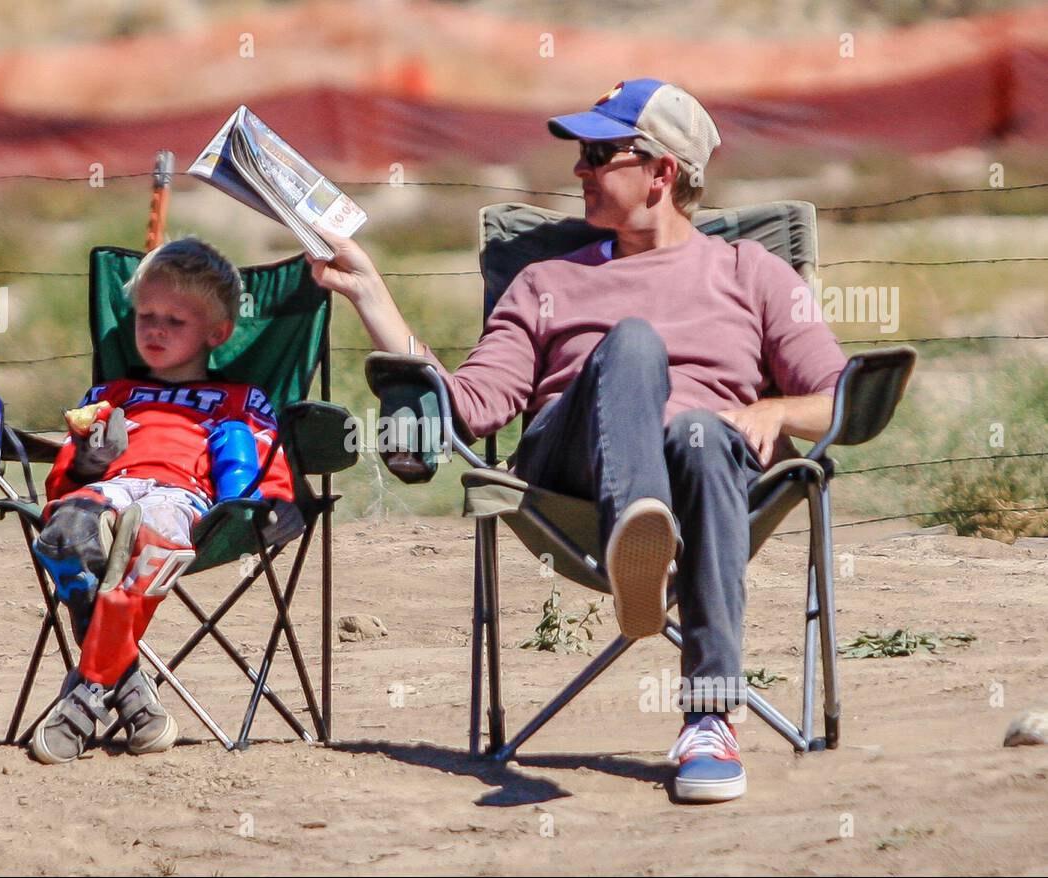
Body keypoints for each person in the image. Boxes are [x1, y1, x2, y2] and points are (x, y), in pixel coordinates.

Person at [307, 78, 847, 803]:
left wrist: (776, 412)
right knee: (632, 345)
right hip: (570, 479)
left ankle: (709, 718)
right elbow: (470, 407)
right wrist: (371, 294)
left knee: (699, 431)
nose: (578, 169)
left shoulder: (753, 273)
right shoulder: (545, 281)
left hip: (705, 477)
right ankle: (635, 530)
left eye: (598, 154)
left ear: (661, 171)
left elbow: (842, 399)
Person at [29, 238, 295, 765]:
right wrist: (88, 459)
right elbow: (64, 480)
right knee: (64, 530)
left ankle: (88, 692)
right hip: (113, 486)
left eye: (175, 321)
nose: (155, 329)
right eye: (146, 316)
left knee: (150, 537)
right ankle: (129, 687)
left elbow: (267, 461)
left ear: (217, 333)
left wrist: (277, 502)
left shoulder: (241, 400)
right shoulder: (111, 395)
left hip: (185, 497)